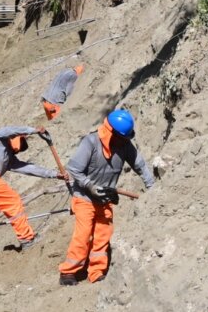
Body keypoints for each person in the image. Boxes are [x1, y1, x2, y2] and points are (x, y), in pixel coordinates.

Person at [59, 109, 155, 286]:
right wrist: (90, 186)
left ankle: (96, 271)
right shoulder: (91, 142)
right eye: (122, 138)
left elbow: (140, 166)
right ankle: (68, 272)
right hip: (84, 198)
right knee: (83, 236)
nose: (125, 141)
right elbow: (73, 169)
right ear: (111, 132)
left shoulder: (125, 145)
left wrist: (152, 188)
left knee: (103, 236)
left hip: (105, 199)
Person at [0, 126, 66, 269]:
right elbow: (10, 129)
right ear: (17, 137)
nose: (16, 151)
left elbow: (28, 168)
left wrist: (54, 174)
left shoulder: (9, 158)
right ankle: (27, 239)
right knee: (13, 202)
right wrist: (33, 130)